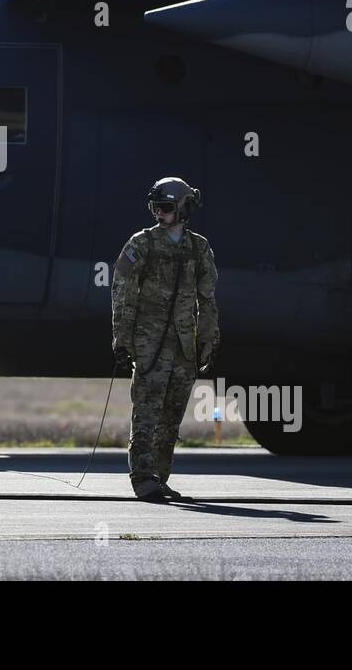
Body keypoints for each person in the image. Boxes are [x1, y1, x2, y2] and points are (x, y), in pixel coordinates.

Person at [111, 177, 220, 502]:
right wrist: (122, 338)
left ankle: (160, 476)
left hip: (184, 346)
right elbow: (122, 290)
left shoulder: (198, 247)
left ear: (184, 208)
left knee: (171, 417)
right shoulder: (141, 244)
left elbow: (208, 297)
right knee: (146, 413)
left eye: (167, 208)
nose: (159, 214)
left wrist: (208, 338)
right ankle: (143, 478)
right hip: (150, 345)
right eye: (156, 207)